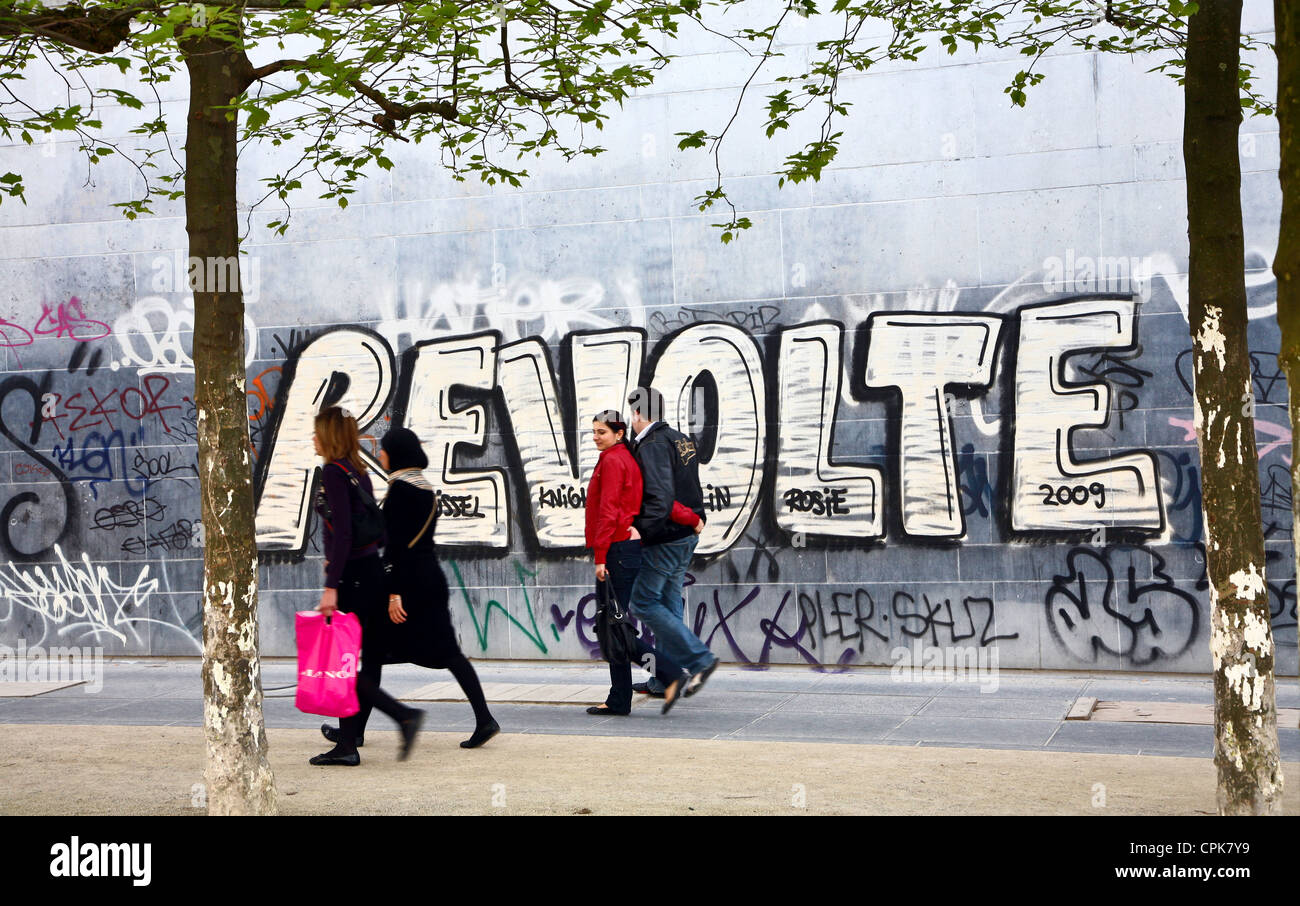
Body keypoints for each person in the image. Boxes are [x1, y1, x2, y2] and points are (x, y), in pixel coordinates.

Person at [311, 405, 423, 766]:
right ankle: (350, 738)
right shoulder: (357, 471)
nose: (312, 438)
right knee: (368, 658)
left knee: (343, 660)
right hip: (371, 570)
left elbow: (343, 531)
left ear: (329, 436)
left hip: (353, 577)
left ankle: (399, 718)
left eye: (317, 432)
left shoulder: (333, 472)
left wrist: (332, 584)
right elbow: (363, 528)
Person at [376, 427, 499, 748]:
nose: (380, 454)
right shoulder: (424, 487)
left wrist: (393, 593)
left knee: (372, 655)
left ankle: (354, 734)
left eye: (384, 449)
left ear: (396, 453)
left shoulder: (400, 490)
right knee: (448, 654)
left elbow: (396, 546)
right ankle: (484, 718)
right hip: (430, 578)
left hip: (409, 583)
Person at [584, 410, 694, 716]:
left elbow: (608, 511)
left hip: (616, 550)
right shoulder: (623, 457)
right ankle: (620, 698)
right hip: (623, 548)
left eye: (602, 432)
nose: (595, 437)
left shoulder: (614, 460)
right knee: (613, 627)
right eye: (594, 432)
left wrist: (601, 556)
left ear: (619, 433)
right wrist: (689, 517)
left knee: (614, 628)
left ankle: (668, 673)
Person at [625, 388, 720, 696]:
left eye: (631, 413)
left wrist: (642, 532)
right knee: (667, 604)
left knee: (642, 602)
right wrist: (697, 518)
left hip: (665, 537)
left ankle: (699, 659)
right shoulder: (680, 439)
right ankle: (663, 679)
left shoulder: (652, 444)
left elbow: (660, 497)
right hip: (685, 533)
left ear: (637, 413)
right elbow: (690, 486)